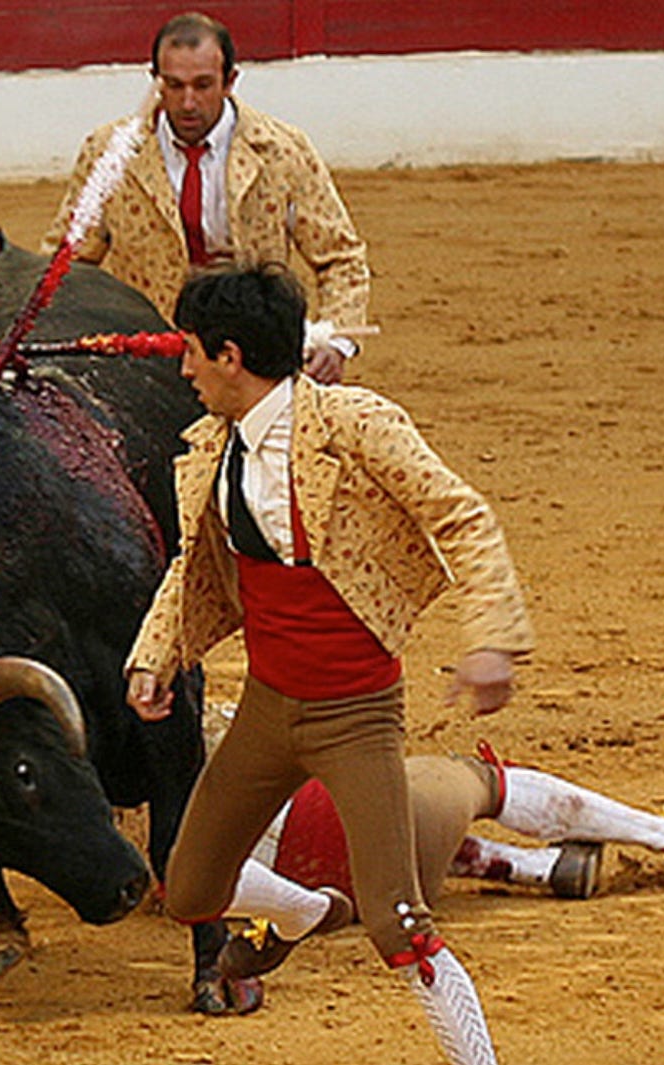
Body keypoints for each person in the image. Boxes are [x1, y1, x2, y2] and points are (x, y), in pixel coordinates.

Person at [125, 262, 532, 1065]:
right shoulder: (210, 447)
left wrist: (491, 635)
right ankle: (303, 913)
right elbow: (194, 568)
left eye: (193, 353)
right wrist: (157, 654)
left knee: (399, 925)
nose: (184, 369)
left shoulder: (355, 425)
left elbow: (464, 516)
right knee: (192, 887)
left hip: (356, 714)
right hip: (269, 708)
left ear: (231, 355)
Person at [42, 11, 371, 385]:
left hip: (252, 358)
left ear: (230, 81)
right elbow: (65, 263)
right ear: (155, 82)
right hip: (148, 357)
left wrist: (338, 342)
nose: (187, 103)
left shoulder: (282, 151)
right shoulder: (111, 152)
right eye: (174, 86)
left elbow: (340, 257)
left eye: (202, 86)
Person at [248, 744, 664, 911]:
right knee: (478, 782)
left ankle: (545, 867)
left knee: (377, 837)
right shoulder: (216, 730)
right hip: (391, 819)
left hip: (352, 897)